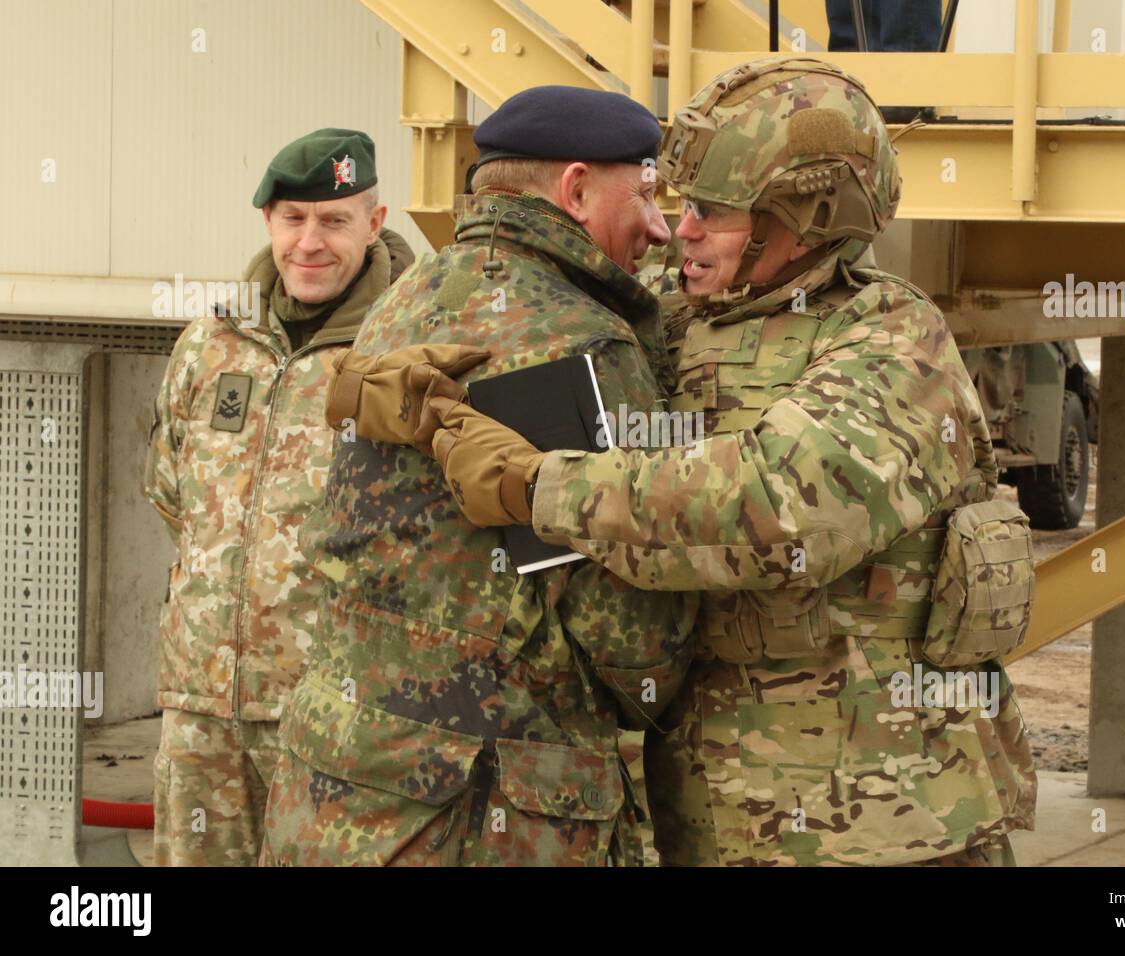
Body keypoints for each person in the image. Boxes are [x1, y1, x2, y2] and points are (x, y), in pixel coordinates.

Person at [406, 57, 1039, 866]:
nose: (680, 231)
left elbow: (776, 507)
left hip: (886, 820)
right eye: (679, 204)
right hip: (708, 814)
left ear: (805, 219)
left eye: (712, 211)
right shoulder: (682, 318)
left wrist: (534, 486)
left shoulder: (892, 342)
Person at [258, 87, 697, 867]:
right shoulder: (577, 337)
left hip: (339, 777)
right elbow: (629, 632)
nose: (661, 227)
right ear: (575, 190)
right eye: (649, 194)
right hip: (486, 805)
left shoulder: (406, 297)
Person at [144, 128, 418, 865]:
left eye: (334, 220)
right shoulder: (212, 343)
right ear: (267, 220)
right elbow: (173, 493)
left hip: (339, 715)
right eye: (293, 218)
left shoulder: (408, 351)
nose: (309, 242)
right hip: (201, 713)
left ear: (375, 221)